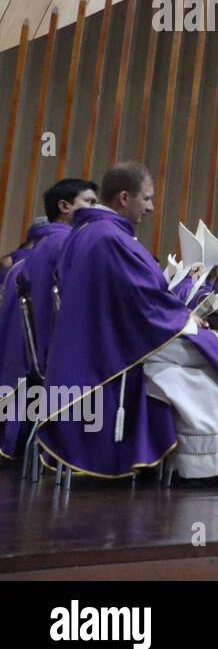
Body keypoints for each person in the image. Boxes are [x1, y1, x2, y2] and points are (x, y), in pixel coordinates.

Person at [36, 163, 218, 484]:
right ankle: (211, 465)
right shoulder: (110, 238)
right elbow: (141, 297)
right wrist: (183, 319)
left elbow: (132, 295)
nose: (151, 207)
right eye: (147, 198)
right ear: (124, 197)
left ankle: (209, 461)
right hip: (117, 348)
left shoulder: (88, 233)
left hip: (102, 341)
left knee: (210, 360)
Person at [0, 179, 98, 458]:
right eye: (89, 202)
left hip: (36, 356)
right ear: (65, 206)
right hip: (58, 353)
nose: (96, 208)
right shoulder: (66, 243)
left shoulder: (45, 243)